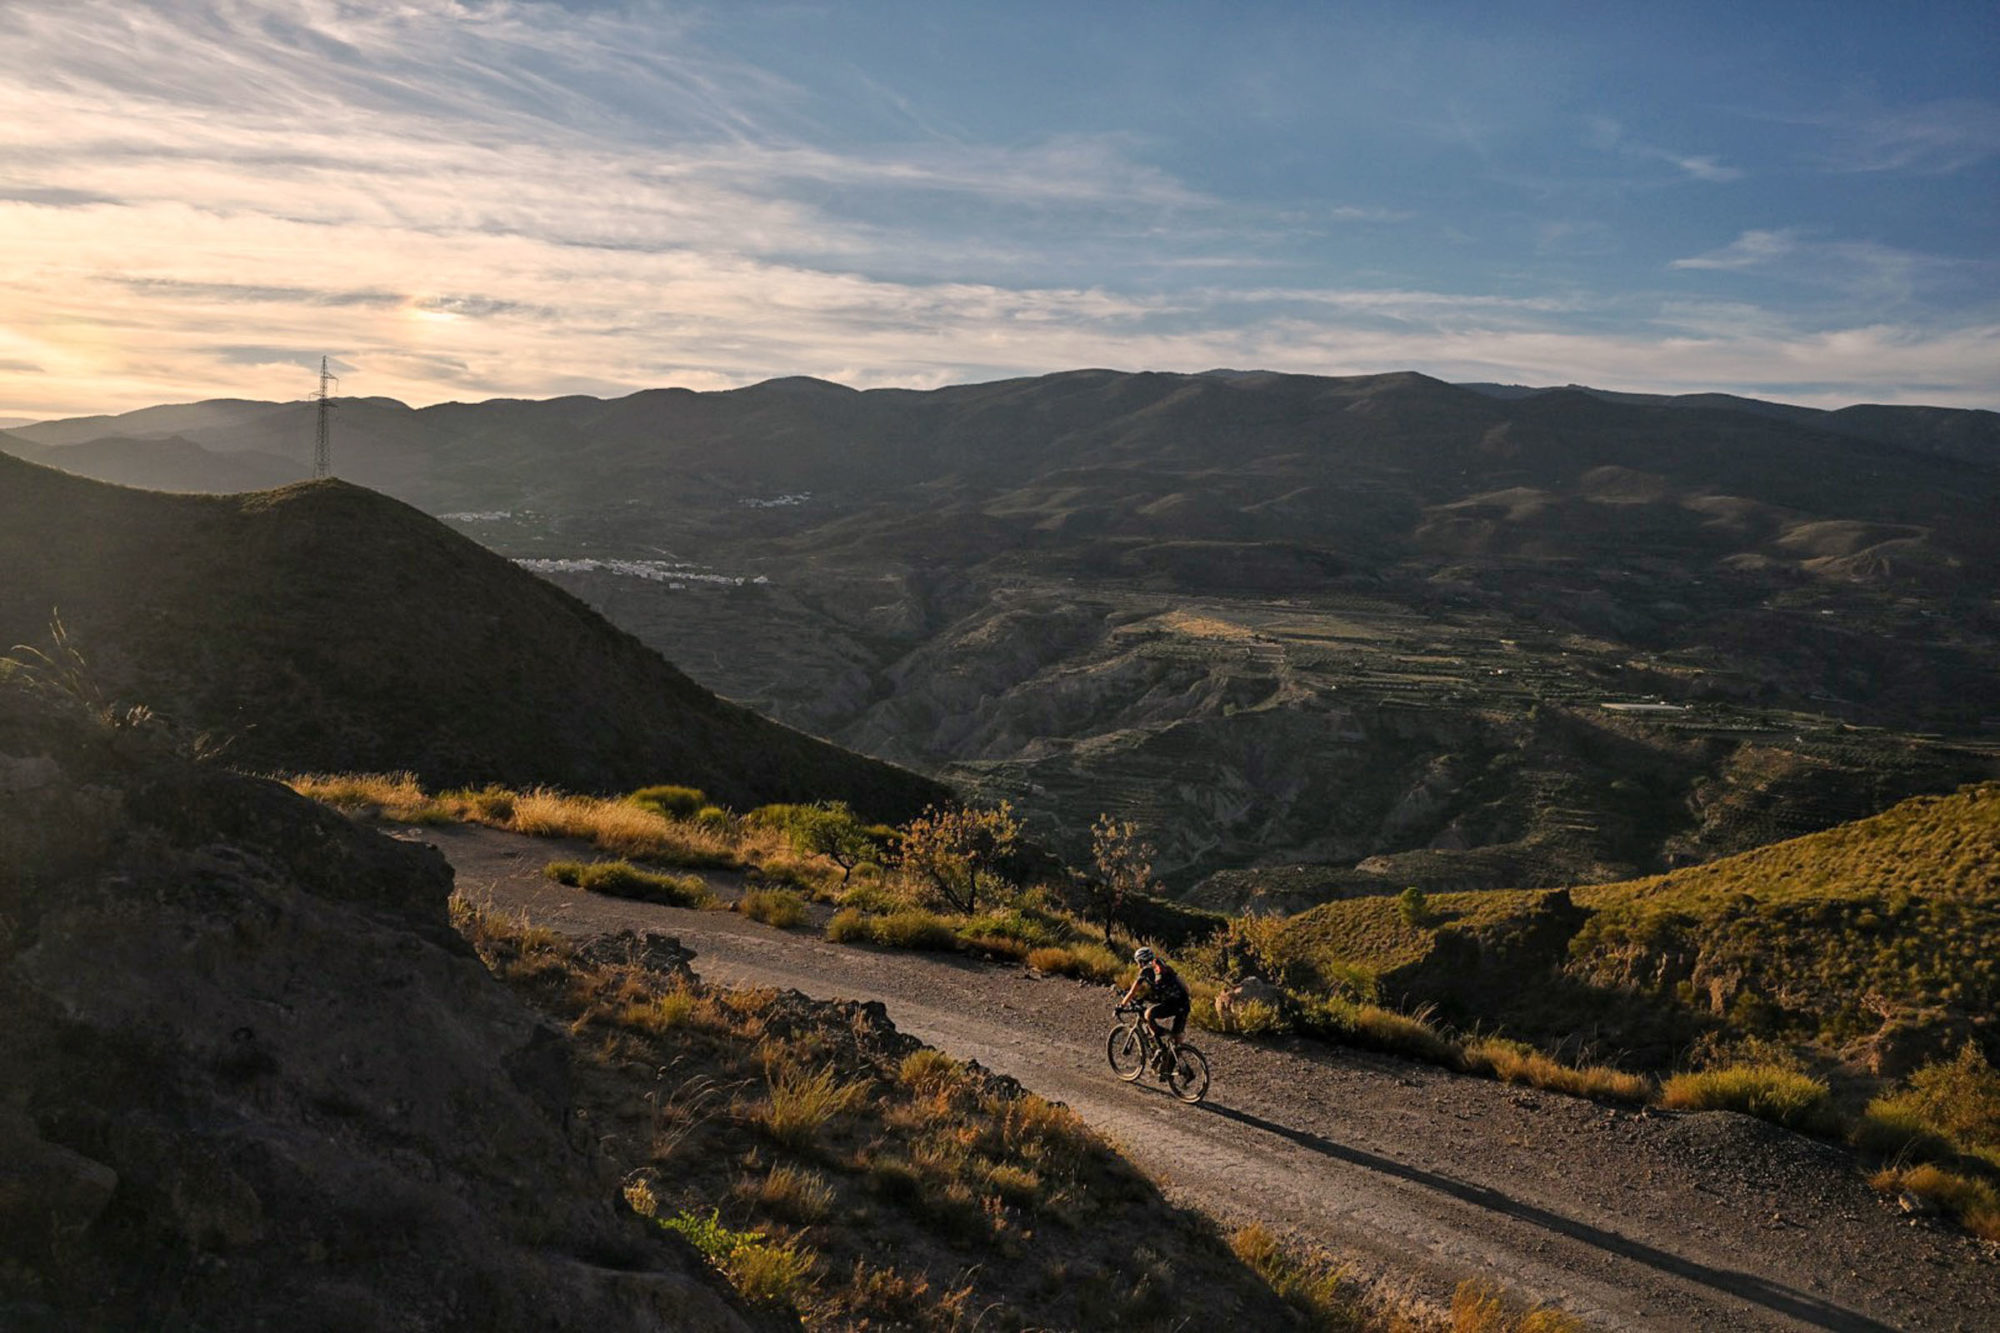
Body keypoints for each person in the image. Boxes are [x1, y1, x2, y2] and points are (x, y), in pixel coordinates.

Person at [1119, 946, 1190, 1070]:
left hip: (1173, 1004)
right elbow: (1183, 984)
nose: (1138, 966)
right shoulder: (1163, 965)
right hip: (1184, 1004)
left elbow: (1132, 992)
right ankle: (1176, 1071)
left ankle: (1162, 1044)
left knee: (1148, 1015)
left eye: (1137, 963)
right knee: (1177, 1043)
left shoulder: (1145, 971)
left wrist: (1121, 1006)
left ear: (1140, 961)